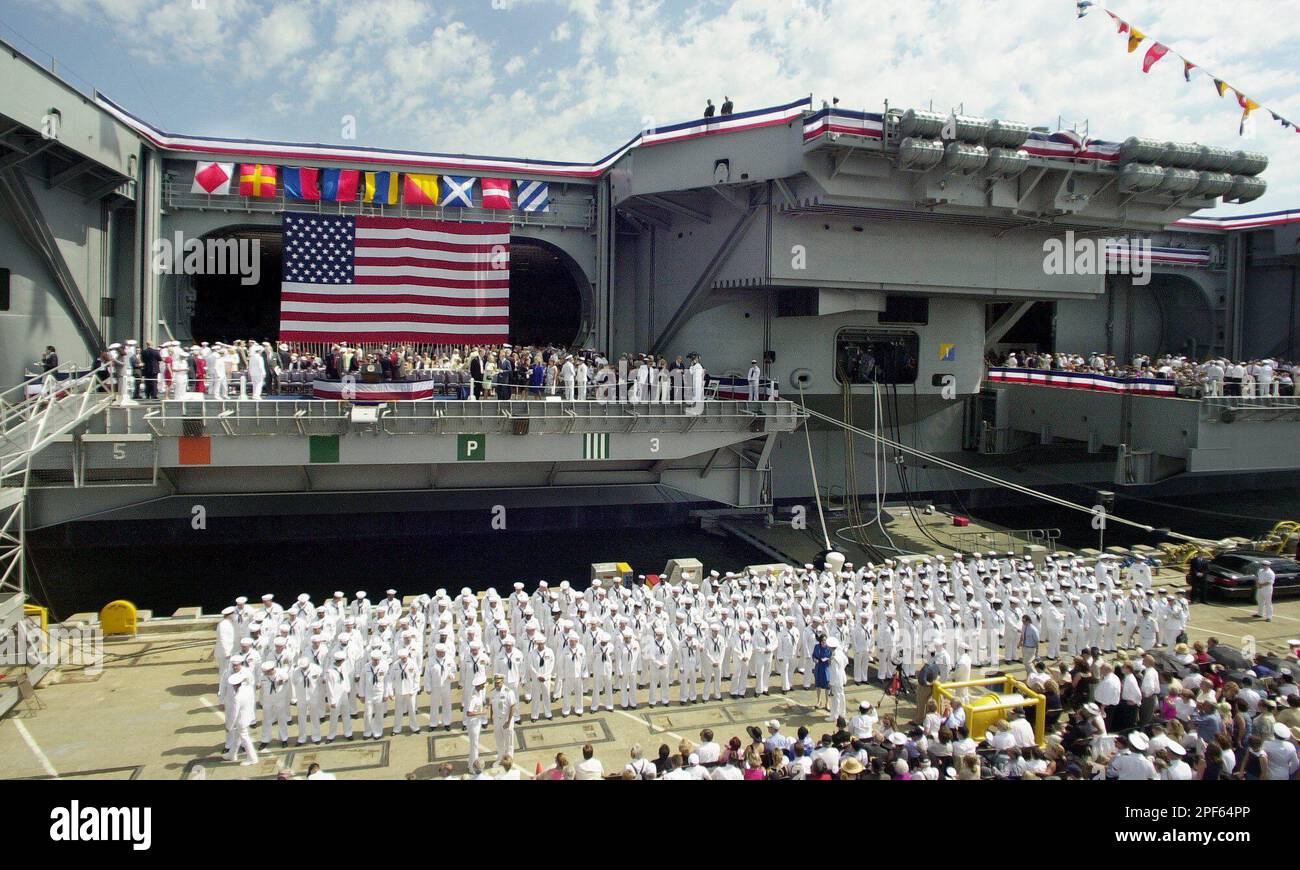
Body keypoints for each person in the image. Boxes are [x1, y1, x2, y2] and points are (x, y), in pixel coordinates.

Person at [490, 673, 517, 761]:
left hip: (506, 719)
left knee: (509, 742)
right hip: (497, 720)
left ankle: (509, 760)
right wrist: (491, 717)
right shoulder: (493, 692)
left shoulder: (508, 692)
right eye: (495, 683)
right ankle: (500, 757)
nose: (496, 684)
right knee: (499, 741)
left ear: (502, 682)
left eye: (498, 683)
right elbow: (492, 705)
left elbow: (513, 706)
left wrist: (509, 721)